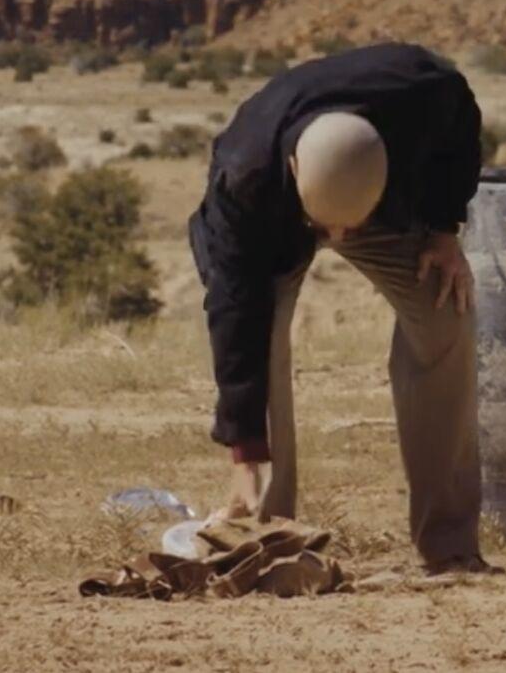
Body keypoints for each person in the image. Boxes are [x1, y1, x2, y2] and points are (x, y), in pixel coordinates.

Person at [188, 41, 488, 574]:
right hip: (276, 222)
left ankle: (450, 545)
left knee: (448, 316)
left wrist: (443, 229)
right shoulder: (245, 177)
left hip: (389, 206)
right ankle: (266, 532)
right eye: (330, 227)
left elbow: (460, 126)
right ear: (294, 164)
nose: (340, 239)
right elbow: (235, 319)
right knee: (265, 341)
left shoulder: (423, 93)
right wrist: (244, 446)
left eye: (349, 225)